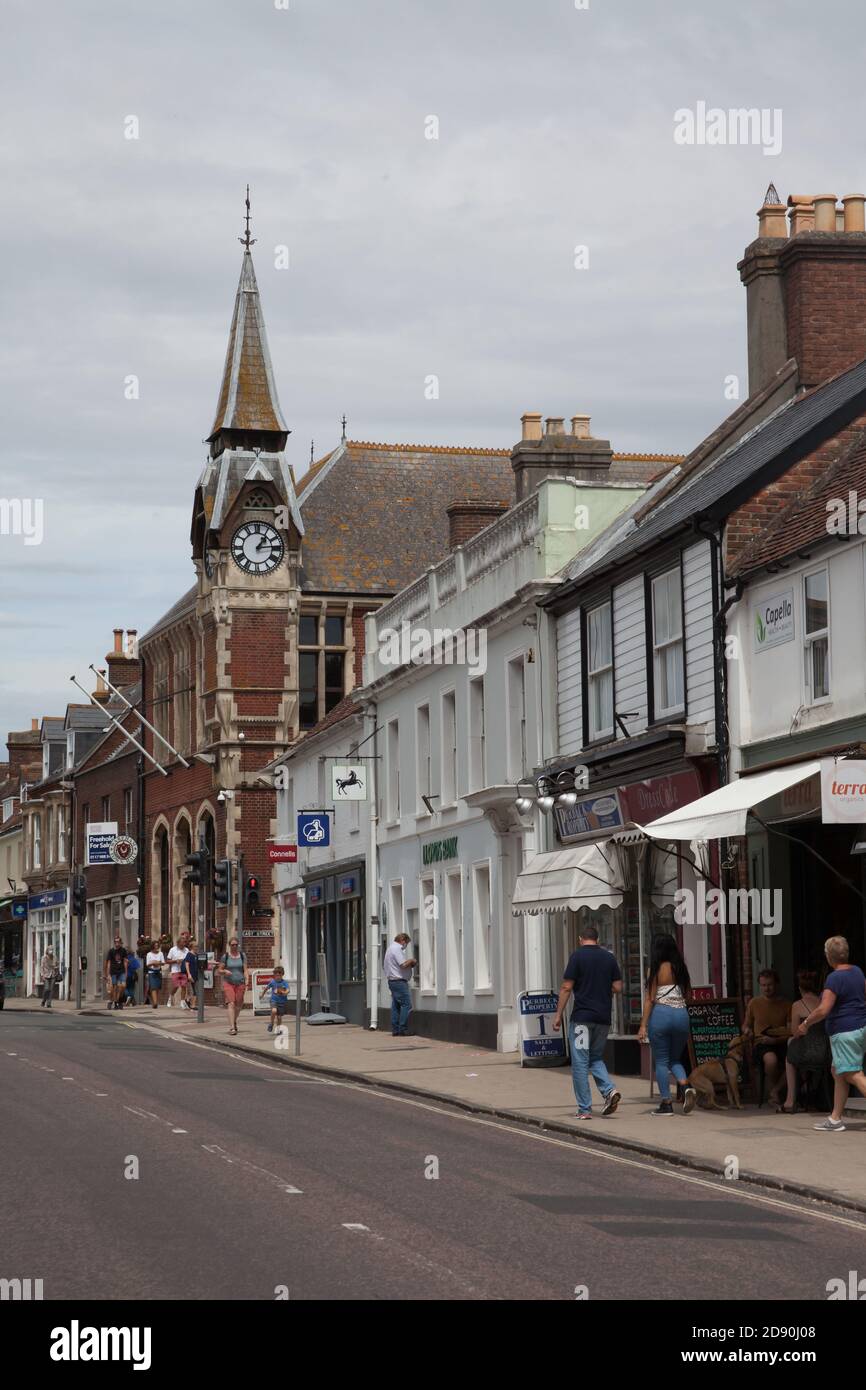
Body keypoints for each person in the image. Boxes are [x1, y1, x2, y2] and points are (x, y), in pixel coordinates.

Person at [552, 925, 622, 1120]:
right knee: (595, 1057)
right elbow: (618, 986)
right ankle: (609, 1090)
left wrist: (558, 1015)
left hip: (582, 1018)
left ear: (581, 939)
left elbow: (566, 987)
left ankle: (584, 1109)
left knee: (580, 1063)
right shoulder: (609, 958)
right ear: (597, 940)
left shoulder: (577, 957)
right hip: (603, 1019)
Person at [797, 936, 866, 1133]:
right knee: (838, 1072)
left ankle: (835, 1118)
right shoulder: (857, 972)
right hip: (860, 1028)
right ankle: (835, 1119)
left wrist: (806, 1023)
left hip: (844, 1033)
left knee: (852, 1073)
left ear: (829, 957)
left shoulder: (834, 978)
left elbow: (823, 1009)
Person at [637, 933, 696, 1116]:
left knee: (661, 1062)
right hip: (681, 1015)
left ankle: (666, 1103)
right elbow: (688, 996)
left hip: (661, 1015)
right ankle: (685, 1085)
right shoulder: (681, 969)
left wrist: (643, 1025)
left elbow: (649, 1000)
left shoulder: (654, 969)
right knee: (675, 1059)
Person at [779, 968, 828, 1113]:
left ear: (800, 988)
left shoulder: (797, 1005)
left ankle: (790, 1100)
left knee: (790, 1049)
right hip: (825, 1052)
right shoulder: (824, 1003)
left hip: (806, 1053)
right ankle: (811, 1090)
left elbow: (795, 1032)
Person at [743, 968, 791, 1105]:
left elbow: (790, 1030)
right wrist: (747, 1031)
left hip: (782, 1041)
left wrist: (775, 1040)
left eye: (769, 985)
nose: (766, 988)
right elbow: (745, 1025)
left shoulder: (787, 1004)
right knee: (771, 1060)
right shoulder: (754, 1003)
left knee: (795, 1060)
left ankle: (775, 1090)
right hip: (762, 1043)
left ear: (776, 984)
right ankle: (774, 1090)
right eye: (763, 985)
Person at [383, 932, 416, 1037]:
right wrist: (411, 960)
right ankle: (403, 1029)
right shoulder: (397, 949)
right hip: (398, 982)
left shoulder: (390, 948)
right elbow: (403, 964)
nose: (405, 946)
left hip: (392, 981)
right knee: (406, 1004)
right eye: (406, 943)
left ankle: (395, 1029)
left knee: (396, 1005)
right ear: (403, 941)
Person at [217, 937, 248, 1035]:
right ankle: (232, 1028)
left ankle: (233, 1021)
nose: (234, 946)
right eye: (232, 945)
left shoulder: (242, 956)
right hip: (228, 983)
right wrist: (225, 971)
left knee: (238, 1005)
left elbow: (245, 969)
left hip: (240, 983)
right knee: (231, 1004)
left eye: (236, 945)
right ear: (229, 946)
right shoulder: (225, 956)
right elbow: (219, 970)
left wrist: (247, 980)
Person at [166, 932, 191, 1009]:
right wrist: (176, 961)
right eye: (183, 942)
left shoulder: (186, 950)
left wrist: (185, 961)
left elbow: (189, 959)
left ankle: (182, 1002)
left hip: (184, 970)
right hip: (175, 970)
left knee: (184, 986)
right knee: (176, 986)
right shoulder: (172, 950)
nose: (184, 944)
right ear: (178, 943)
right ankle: (170, 997)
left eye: (185, 942)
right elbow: (167, 961)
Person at [262, 966, 290, 1033]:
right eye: (276, 975)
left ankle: (278, 1029)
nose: (277, 977)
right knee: (274, 1011)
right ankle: (271, 1023)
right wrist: (262, 994)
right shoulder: (273, 982)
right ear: (274, 975)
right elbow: (266, 988)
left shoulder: (284, 983)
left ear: (282, 975)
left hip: (282, 1002)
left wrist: (284, 992)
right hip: (274, 1000)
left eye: (279, 975)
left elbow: (288, 990)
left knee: (279, 1017)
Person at [104, 935, 128, 1011]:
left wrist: (126, 972)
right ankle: (115, 1001)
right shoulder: (111, 951)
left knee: (123, 986)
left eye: (118, 942)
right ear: (114, 943)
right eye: (116, 942)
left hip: (121, 971)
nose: (117, 943)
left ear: (121, 943)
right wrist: (107, 974)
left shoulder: (123, 950)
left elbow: (125, 962)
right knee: (114, 988)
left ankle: (118, 1000)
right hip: (113, 971)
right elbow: (108, 963)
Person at [145, 943, 166, 1008]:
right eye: (155, 946)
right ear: (152, 947)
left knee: (157, 987)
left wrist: (157, 962)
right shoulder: (149, 954)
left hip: (158, 972)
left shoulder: (160, 953)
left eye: (157, 946)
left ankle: (155, 1001)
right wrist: (153, 963)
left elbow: (163, 963)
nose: (156, 947)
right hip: (152, 972)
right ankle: (155, 1003)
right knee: (153, 987)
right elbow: (147, 964)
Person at [184, 938, 200, 1012]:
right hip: (191, 975)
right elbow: (187, 964)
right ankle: (192, 1005)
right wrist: (189, 974)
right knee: (194, 990)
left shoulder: (196, 954)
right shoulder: (189, 954)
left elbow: (203, 961)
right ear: (192, 947)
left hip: (196, 974)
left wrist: (214, 962)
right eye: (195, 946)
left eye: (197, 946)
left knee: (195, 990)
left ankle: (188, 1001)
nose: (197, 947)